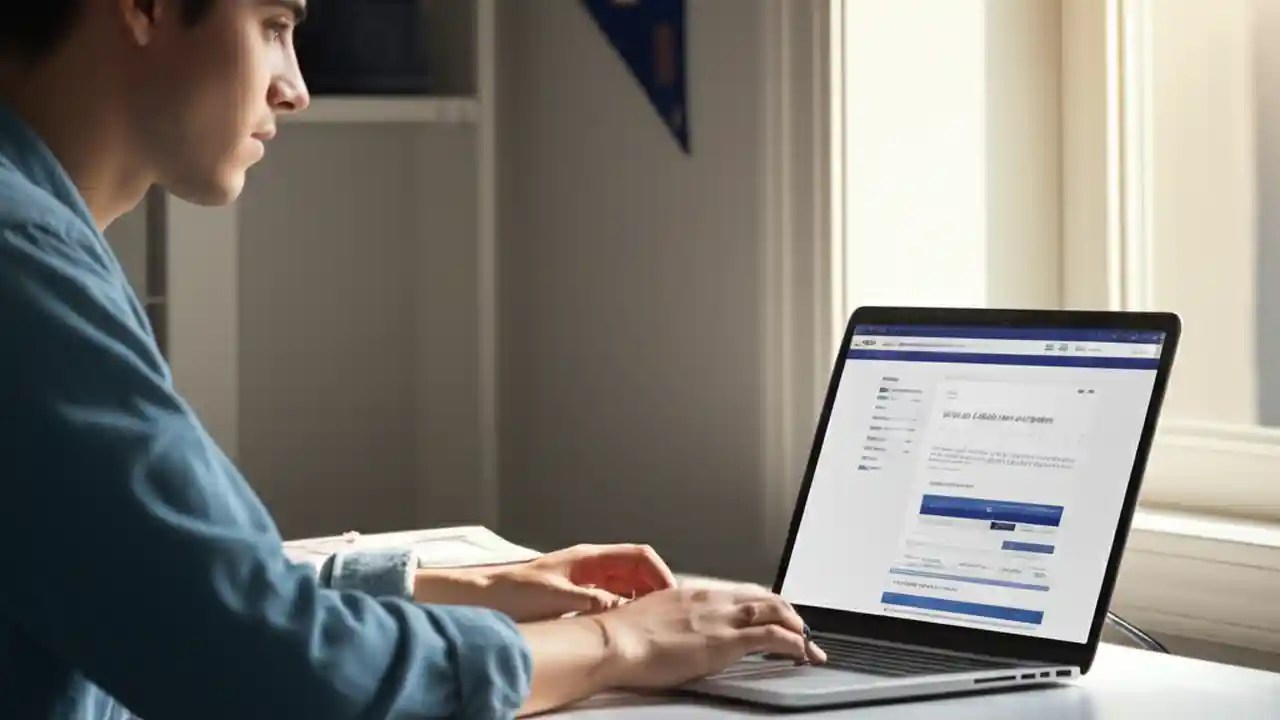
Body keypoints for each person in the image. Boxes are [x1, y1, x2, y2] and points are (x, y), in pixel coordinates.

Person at [0, 1, 825, 718]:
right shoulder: (22, 261)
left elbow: (152, 591)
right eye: (273, 26)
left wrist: (457, 585)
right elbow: (272, 667)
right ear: (143, 5)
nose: (295, 87)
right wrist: (618, 643)